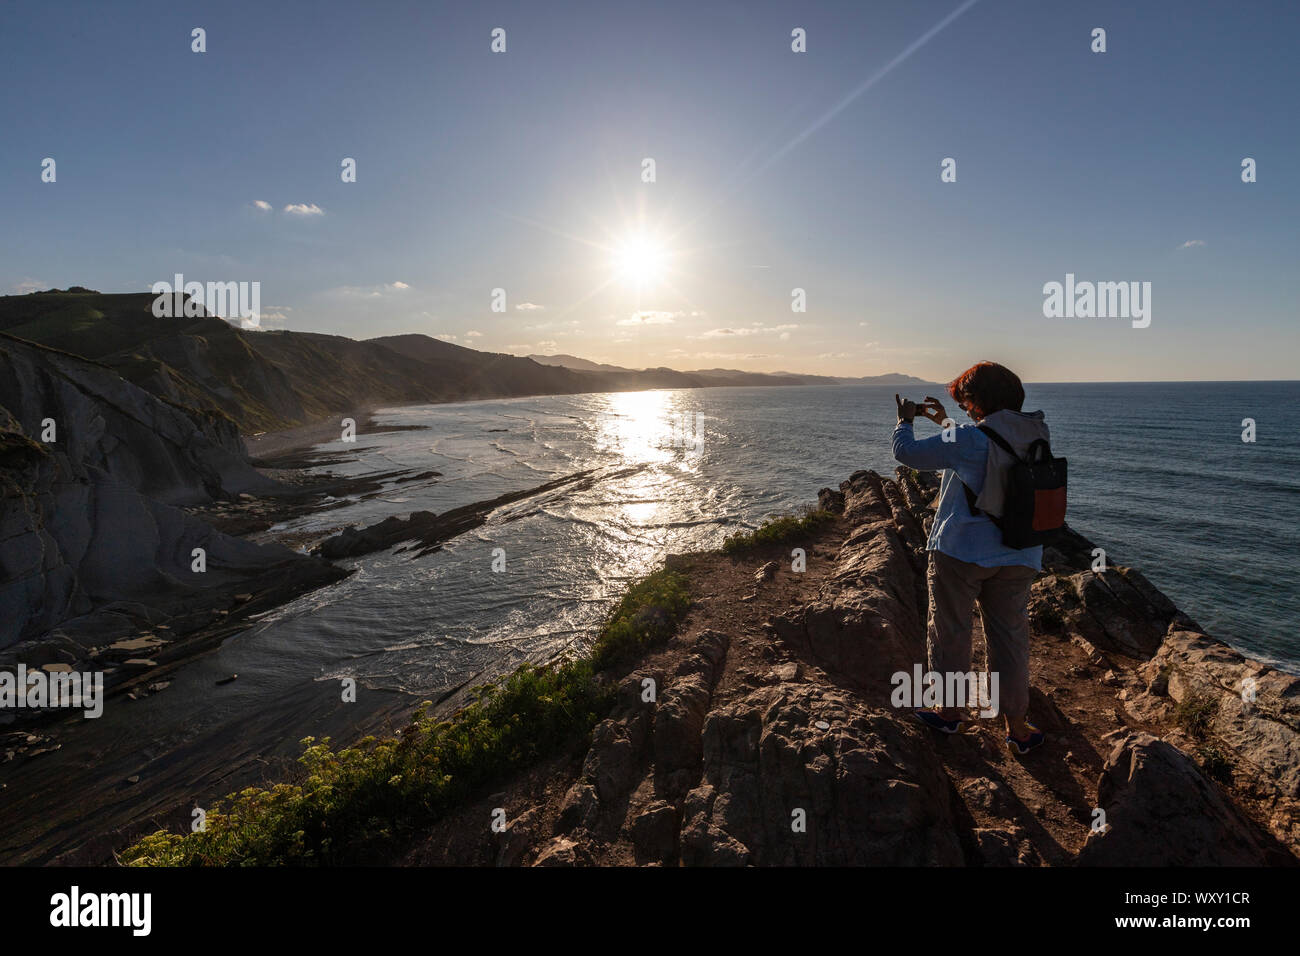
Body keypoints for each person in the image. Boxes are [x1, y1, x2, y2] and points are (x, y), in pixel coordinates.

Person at [891, 361, 1049, 756]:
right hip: (1020, 551)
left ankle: (949, 711)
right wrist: (946, 423)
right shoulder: (1036, 433)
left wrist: (905, 420)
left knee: (951, 630)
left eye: (966, 401)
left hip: (963, 551)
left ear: (980, 401)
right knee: (1010, 638)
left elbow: (906, 453)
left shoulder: (968, 438)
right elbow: (983, 453)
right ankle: (1018, 726)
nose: (963, 409)